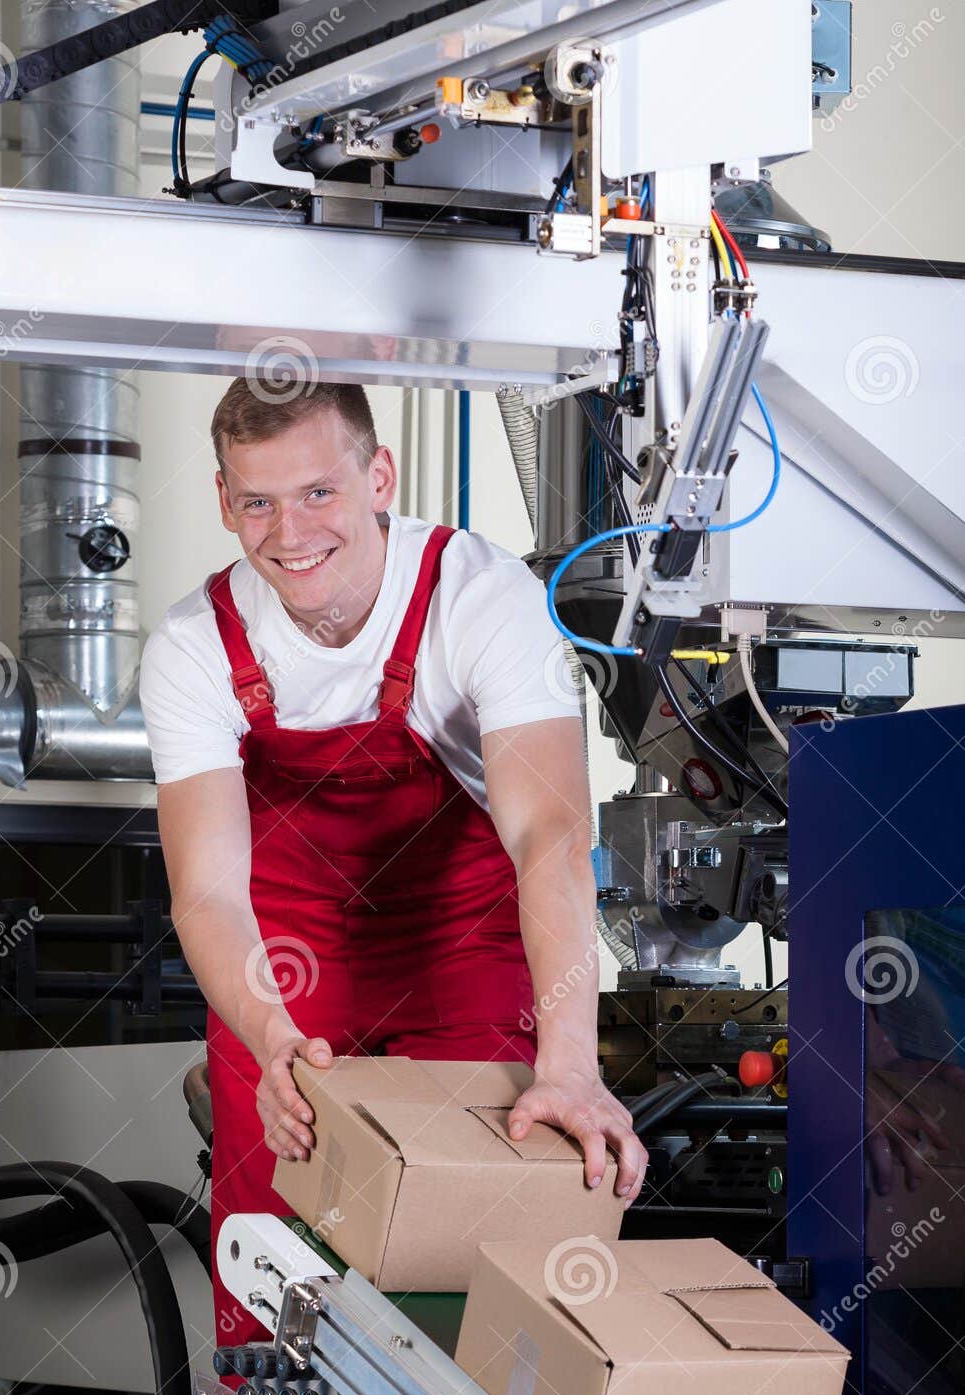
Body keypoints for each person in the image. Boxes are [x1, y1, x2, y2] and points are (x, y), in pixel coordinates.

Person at [140, 378, 646, 1343]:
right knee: (274, 1265)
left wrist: (571, 1064)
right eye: (257, 501)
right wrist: (271, 1039)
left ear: (379, 477)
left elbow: (546, 835)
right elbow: (206, 892)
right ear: (223, 503)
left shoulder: (482, 598)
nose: (290, 533)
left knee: (480, 1241)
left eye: (318, 493)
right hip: (285, 966)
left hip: (460, 945)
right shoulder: (193, 645)